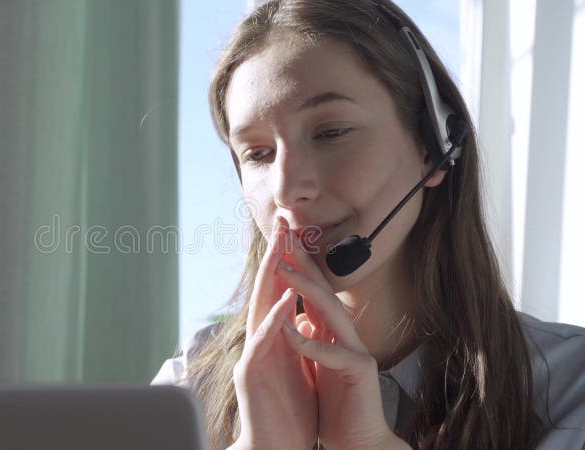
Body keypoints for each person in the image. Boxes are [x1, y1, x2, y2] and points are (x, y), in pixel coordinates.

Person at [152, 0, 585, 449]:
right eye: (257, 154)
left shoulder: (571, 386)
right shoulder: (189, 385)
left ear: (434, 146)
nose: (285, 188)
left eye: (330, 132)